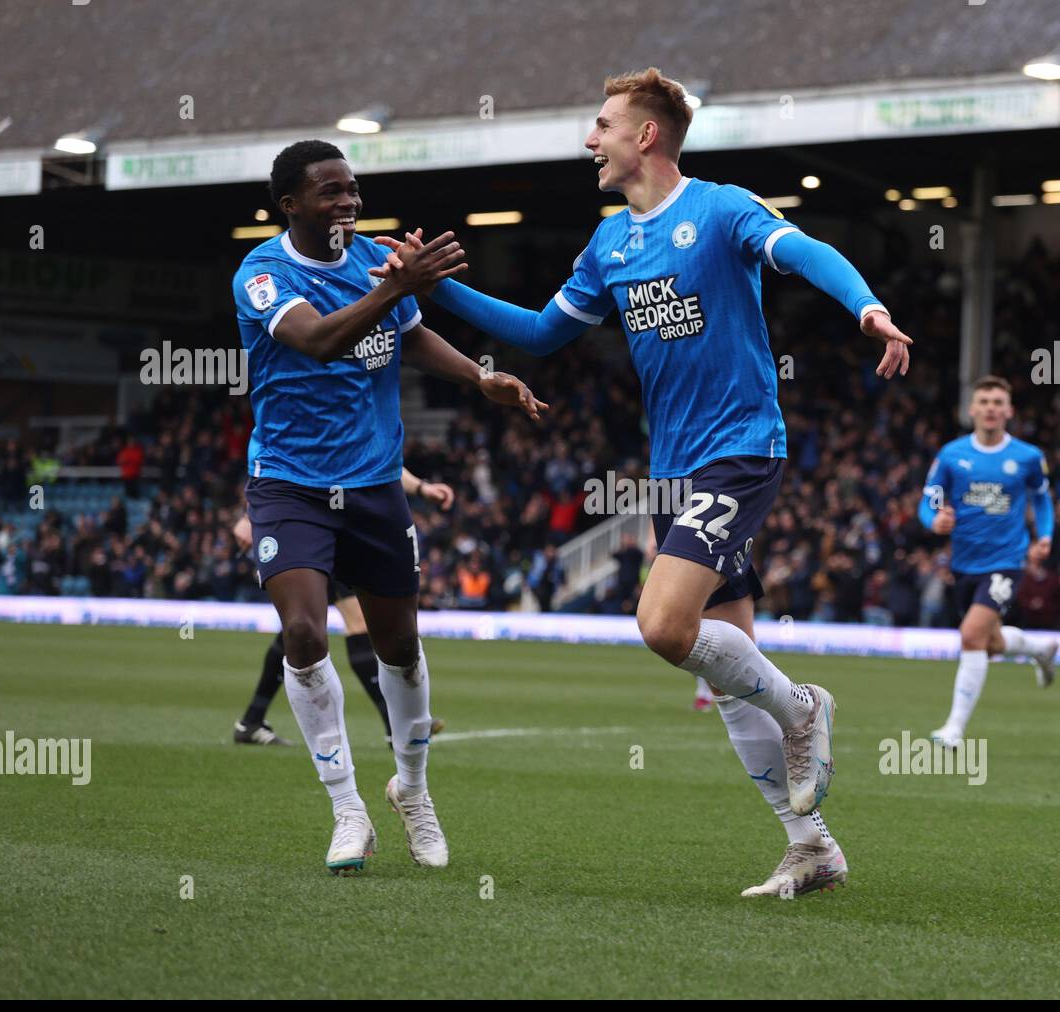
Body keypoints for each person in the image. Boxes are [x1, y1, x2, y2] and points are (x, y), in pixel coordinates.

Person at [374, 68, 912, 897]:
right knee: (728, 674)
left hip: (740, 449)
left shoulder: (720, 208)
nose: (591, 140)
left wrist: (866, 306)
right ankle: (813, 847)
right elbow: (542, 333)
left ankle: (804, 707)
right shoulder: (608, 243)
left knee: (662, 625)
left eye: (602, 125)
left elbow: (804, 251)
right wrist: (435, 287)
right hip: (675, 472)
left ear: (646, 136)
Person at [233, 138, 546, 874]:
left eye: (352, 188)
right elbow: (315, 340)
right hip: (290, 482)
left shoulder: (374, 258)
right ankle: (347, 809)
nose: (348, 201)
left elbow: (412, 334)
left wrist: (481, 377)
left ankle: (412, 790)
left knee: (398, 649)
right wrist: (395, 288)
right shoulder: (262, 273)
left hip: (373, 483)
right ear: (290, 205)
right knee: (305, 630)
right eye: (330, 191)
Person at [230, 467, 455, 746]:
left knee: (302, 628)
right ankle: (394, 725)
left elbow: (382, 458)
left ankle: (251, 720)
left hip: (345, 526)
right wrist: (250, 514)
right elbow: (272, 451)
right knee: (328, 624)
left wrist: (422, 487)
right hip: (311, 524)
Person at [919, 375, 1058, 749]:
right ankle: (1039, 651)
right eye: (984, 401)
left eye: (998, 401)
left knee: (970, 635)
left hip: (1007, 561)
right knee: (990, 643)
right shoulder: (951, 455)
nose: (991, 408)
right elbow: (929, 497)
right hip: (964, 564)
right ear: (972, 409)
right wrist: (935, 519)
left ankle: (954, 728)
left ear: (1009, 410)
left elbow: (1042, 500)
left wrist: (1044, 535)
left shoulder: (1027, 457)